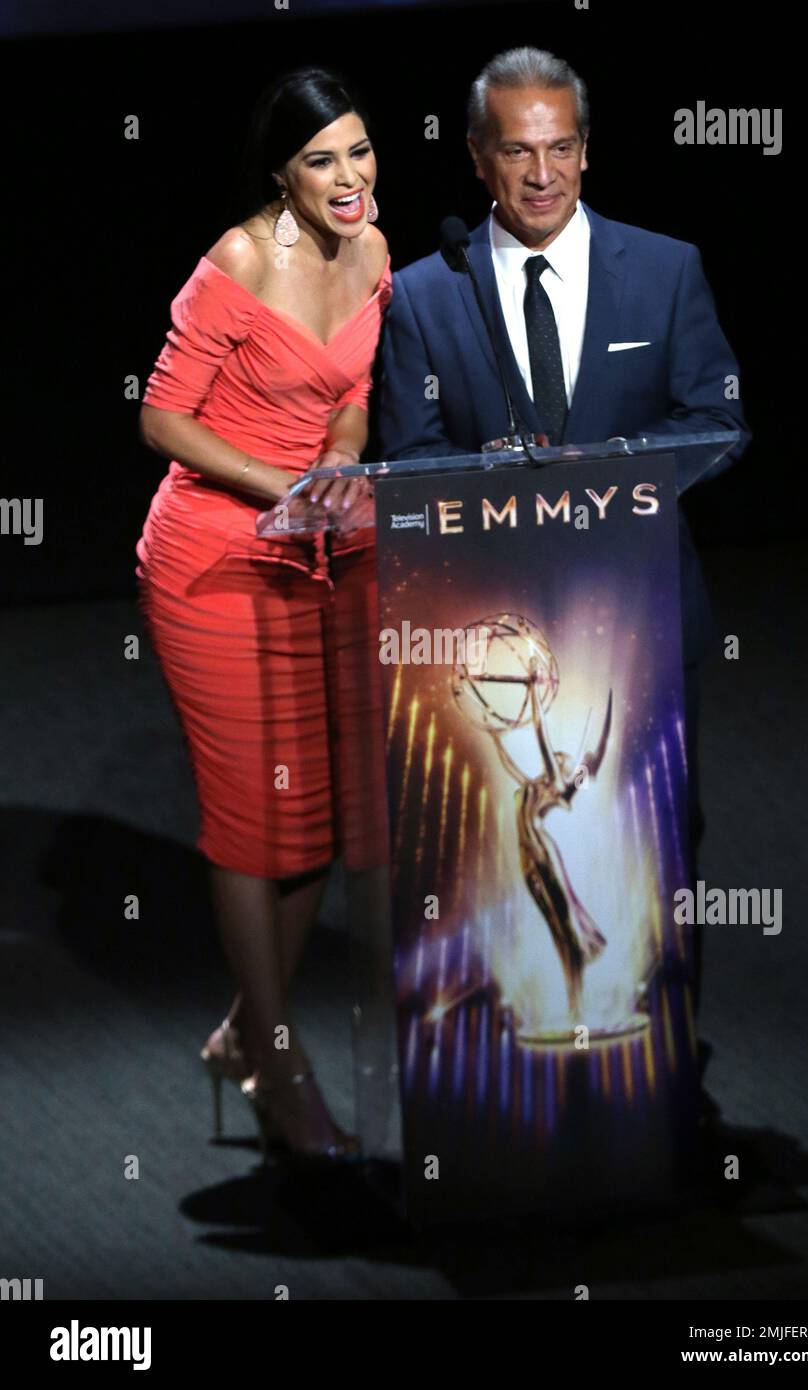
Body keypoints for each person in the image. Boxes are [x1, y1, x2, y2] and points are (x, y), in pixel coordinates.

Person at [378, 46, 750, 1109]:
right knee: (508, 854)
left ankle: (663, 1073)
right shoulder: (423, 296)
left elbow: (717, 418)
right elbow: (401, 460)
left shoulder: (663, 267)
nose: (540, 175)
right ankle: (522, 1091)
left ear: (584, 152)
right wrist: (481, 486)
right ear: (477, 159)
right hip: (494, 650)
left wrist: (609, 477)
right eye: (516, 153)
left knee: (655, 845)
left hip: (636, 623)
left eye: (558, 150)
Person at [136, 67, 390, 1161]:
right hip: (215, 559)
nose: (349, 178)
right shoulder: (240, 258)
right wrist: (273, 483)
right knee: (252, 823)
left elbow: (352, 394)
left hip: (324, 553)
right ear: (282, 177)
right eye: (322, 160)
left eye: (360, 151)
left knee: (325, 821)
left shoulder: (375, 251)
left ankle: (244, 1030)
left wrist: (335, 462)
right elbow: (160, 417)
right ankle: (278, 1063)